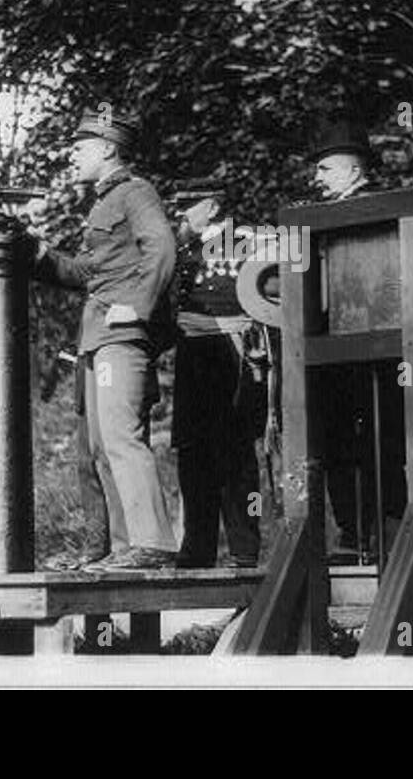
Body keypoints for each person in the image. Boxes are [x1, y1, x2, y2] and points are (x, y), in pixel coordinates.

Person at [32, 108, 178, 570]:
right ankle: (123, 547)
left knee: (120, 438)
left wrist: (138, 305)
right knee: (100, 446)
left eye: (80, 148)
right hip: (97, 338)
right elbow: (82, 272)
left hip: (120, 335)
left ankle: (151, 541)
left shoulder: (136, 193)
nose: (72, 156)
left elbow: (163, 247)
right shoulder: (102, 204)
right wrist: (35, 253)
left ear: (109, 148)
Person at [308, 116, 407, 563]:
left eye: (325, 169)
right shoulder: (311, 220)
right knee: (333, 443)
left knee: (381, 440)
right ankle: (351, 532)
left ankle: (388, 530)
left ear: (354, 170)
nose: (317, 178)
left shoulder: (382, 209)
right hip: (328, 347)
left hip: (377, 345)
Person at [170, 177, 264, 569]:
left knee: (234, 452)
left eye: (188, 205)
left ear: (211, 206)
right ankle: (197, 546)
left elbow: (293, 266)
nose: (179, 213)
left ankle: (244, 548)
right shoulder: (181, 246)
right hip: (191, 350)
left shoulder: (249, 237)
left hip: (231, 350)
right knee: (191, 452)